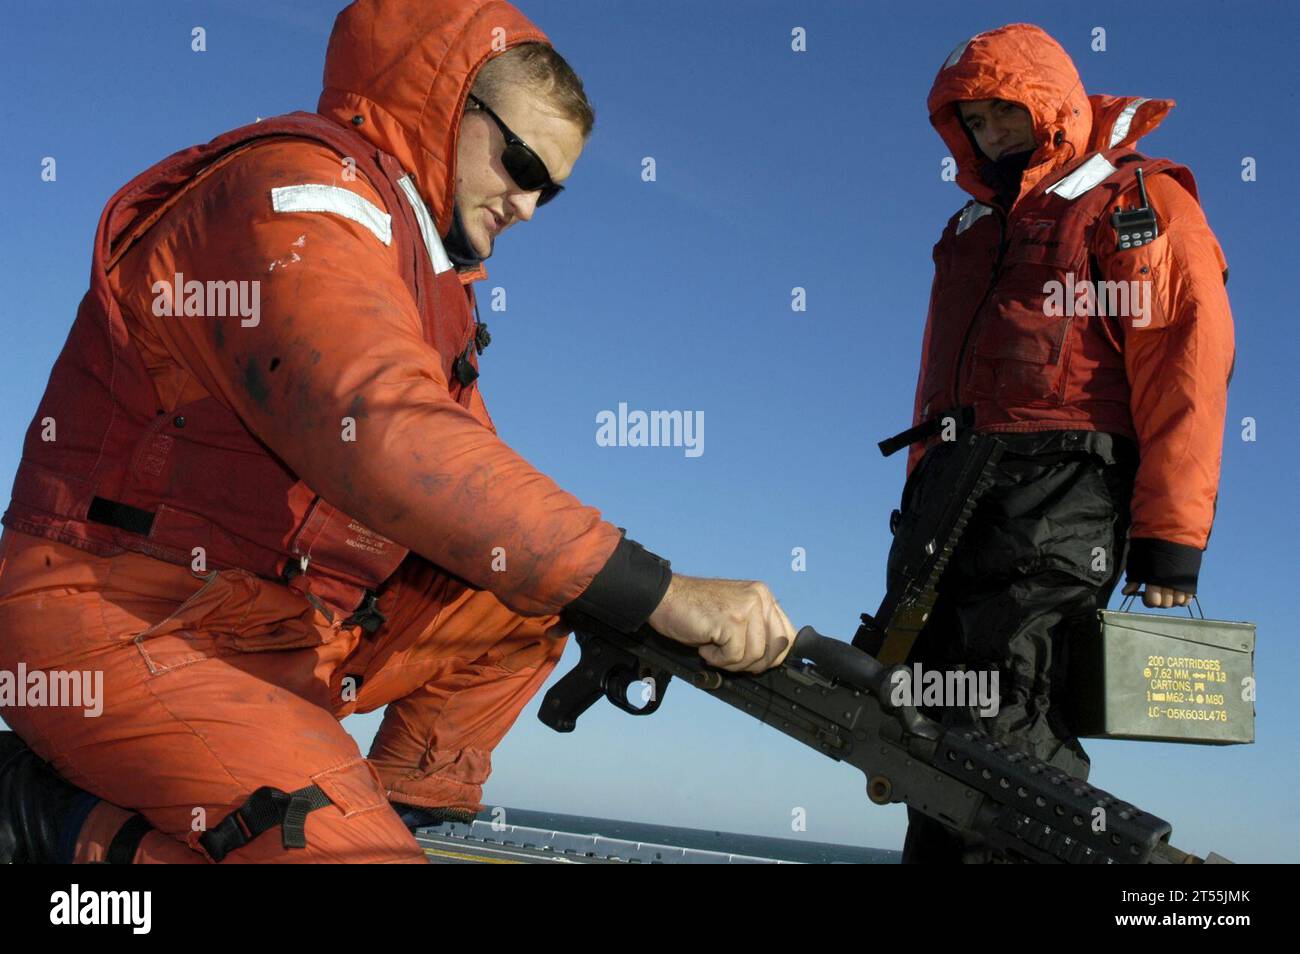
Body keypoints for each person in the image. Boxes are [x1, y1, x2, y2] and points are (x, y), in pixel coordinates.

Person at [0, 0, 795, 864]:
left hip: (269, 624)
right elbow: (379, 428)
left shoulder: (425, 279)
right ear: (446, 106)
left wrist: (627, 587)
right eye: (521, 163)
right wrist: (664, 591)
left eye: (550, 189)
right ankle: (54, 825)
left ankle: (378, 814)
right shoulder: (295, 195)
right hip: (118, 614)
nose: (528, 205)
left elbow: (486, 503)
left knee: (531, 597)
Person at [869, 23, 1235, 862]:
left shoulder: (1135, 200)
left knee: (1008, 721)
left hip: (1060, 496)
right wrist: (924, 491)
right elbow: (937, 379)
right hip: (950, 496)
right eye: (974, 121)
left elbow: (1186, 360)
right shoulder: (973, 225)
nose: (991, 135)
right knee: (920, 719)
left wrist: (1170, 541)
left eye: (1006, 114)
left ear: (1051, 106)